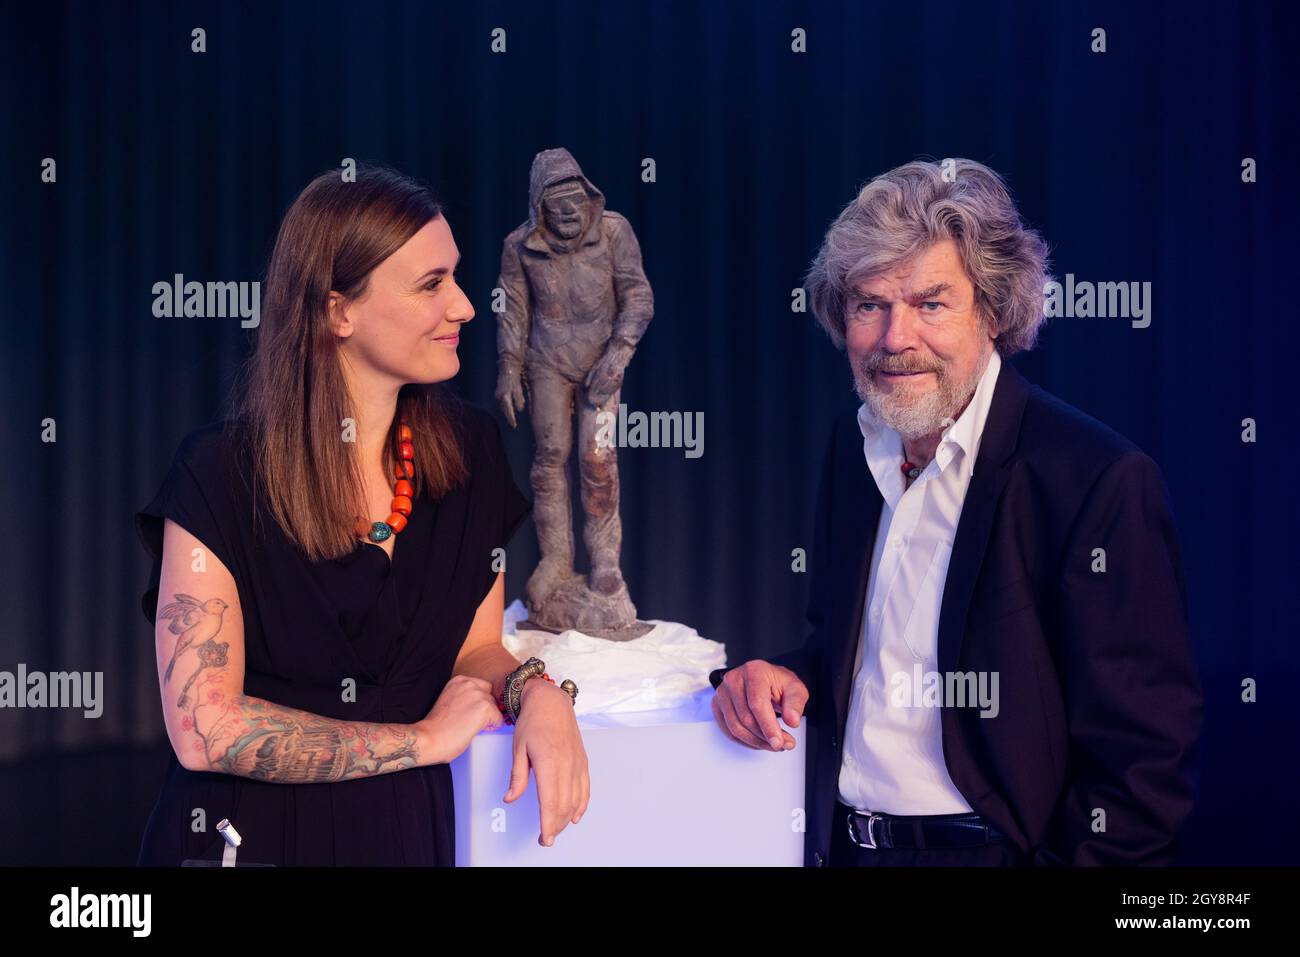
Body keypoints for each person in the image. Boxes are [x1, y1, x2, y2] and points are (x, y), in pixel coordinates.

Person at [709, 159, 1202, 867]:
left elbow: (1144, 769)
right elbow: (856, 656)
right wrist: (783, 677)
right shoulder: (855, 450)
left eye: (930, 304)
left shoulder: (1095, 481)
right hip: (842, 850)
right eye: (869, 304)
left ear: (994, 312)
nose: (894, 337)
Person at [134, 166, 589, 866]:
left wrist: (538, 692)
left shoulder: (469, 453)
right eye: (431, 284)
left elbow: (475, 651)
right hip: (249, 842)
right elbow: (204, 727)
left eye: (456, 278)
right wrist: (421, 741)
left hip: (405, 833)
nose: (466, 306)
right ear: (337, 310)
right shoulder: (219, 474)